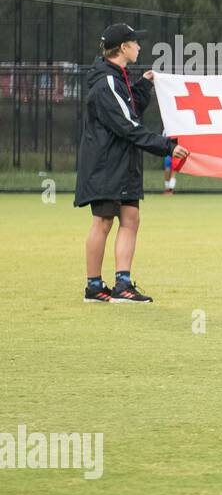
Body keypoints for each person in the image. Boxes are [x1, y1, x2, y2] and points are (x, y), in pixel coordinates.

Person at [74, 23, 188, 304]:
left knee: (131, 219)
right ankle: (94, 286)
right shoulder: (107, 82)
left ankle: (123, 284)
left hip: (122, 165)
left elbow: (129, 108)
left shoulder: (118, 78)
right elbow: (127, 126)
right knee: (103, 221)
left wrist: (144, 84)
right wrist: (167, 147)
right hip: (105, 166)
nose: (139, 47)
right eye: (135, 43)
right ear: (123, 48)